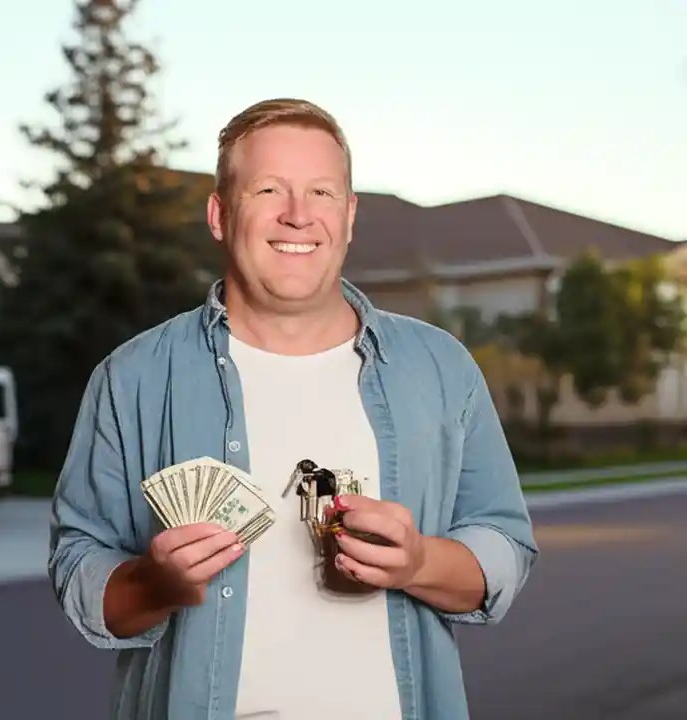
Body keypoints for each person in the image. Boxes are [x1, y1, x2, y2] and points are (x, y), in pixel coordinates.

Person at [47, 98, 539, 720]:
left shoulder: (441, 367)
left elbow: (503, 544)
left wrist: (418, 562)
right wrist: (152, 584)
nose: (298, 215)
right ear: (220, 215)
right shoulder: (133, 378)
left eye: (321, 192)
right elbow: (78, 563)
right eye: (268, 190)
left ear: (349, 215)